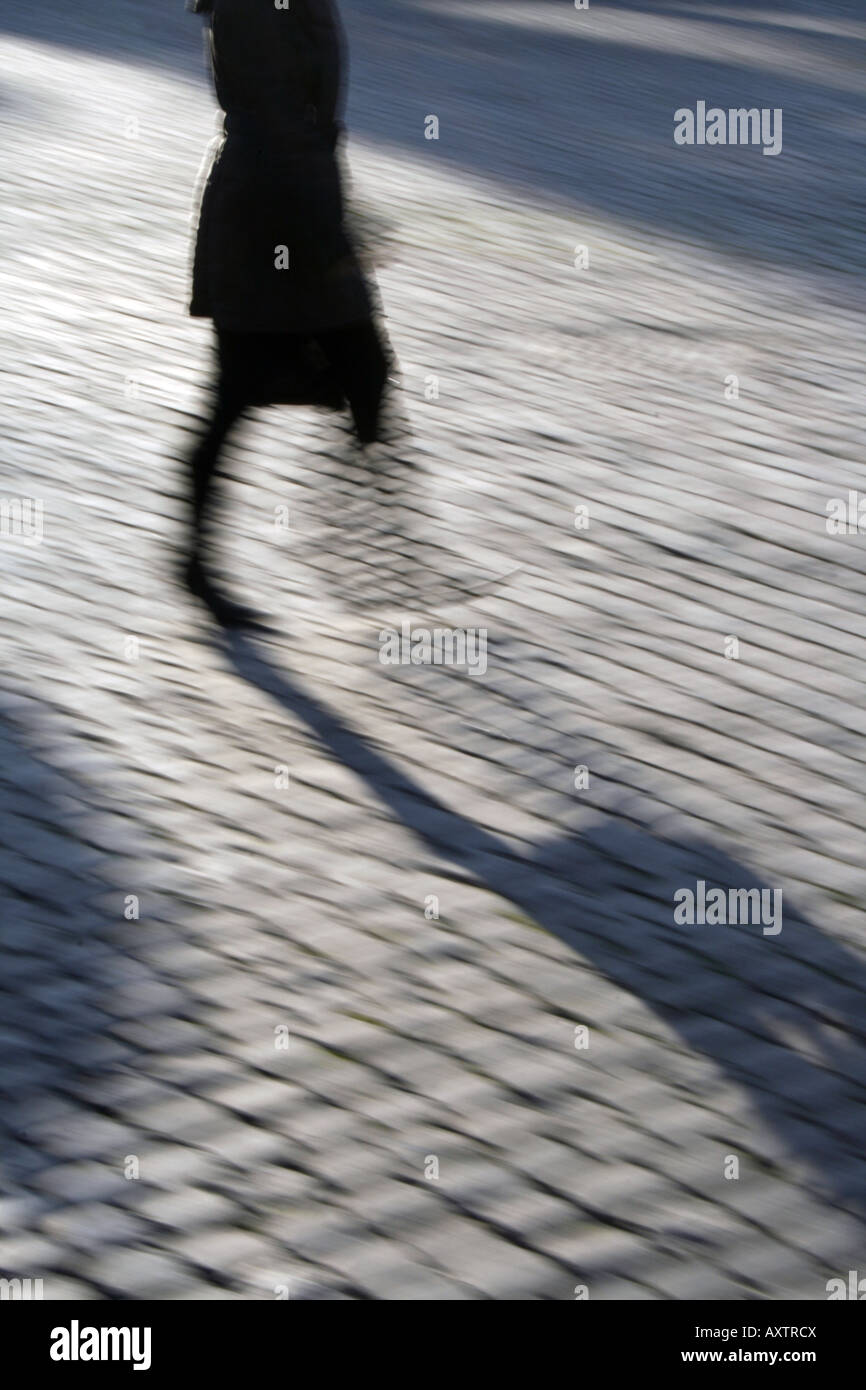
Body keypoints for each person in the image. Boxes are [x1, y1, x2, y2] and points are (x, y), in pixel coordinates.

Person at [183, 0, 392, 627]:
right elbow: (276, 112)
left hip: (302, 195)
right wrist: (319, 223)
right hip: (265, 212)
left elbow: (311, 107)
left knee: (361, 372)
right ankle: (197, 564)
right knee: (242, 392)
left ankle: (363, 538)